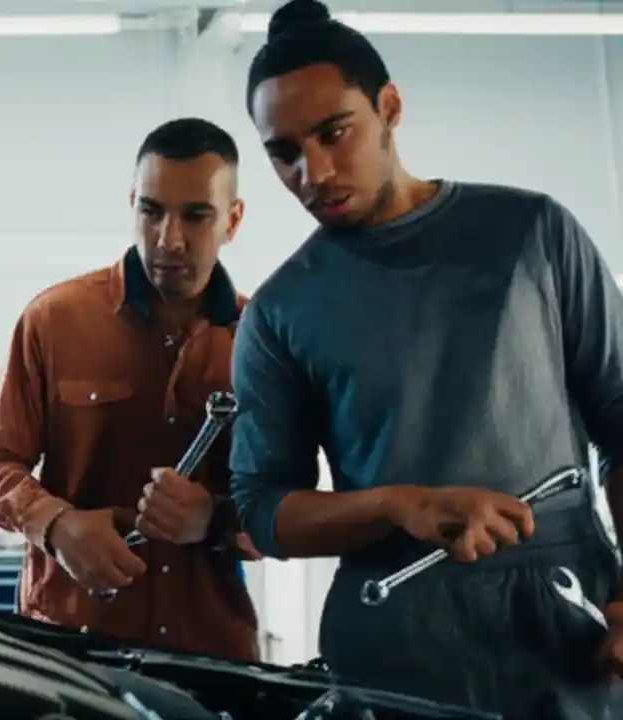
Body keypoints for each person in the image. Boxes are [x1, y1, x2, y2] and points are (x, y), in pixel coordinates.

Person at [229, 1, 623, 716]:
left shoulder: (532, 234)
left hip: (566, 632)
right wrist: (396, 505)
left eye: (333, 133)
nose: (311, 172)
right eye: (282, 152)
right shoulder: (280, 309)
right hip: (396, 644)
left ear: (390, 106)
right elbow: (263, 512)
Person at [0, 118, 261, 659]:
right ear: (132, 205)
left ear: (232, 220)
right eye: (151, 211)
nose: (169, 238)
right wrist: (57, 524)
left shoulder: (264, 340)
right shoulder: (53, 321)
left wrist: (215, 520)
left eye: (196, 215)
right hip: (72, 650)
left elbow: (288, 508)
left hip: (212, 654)